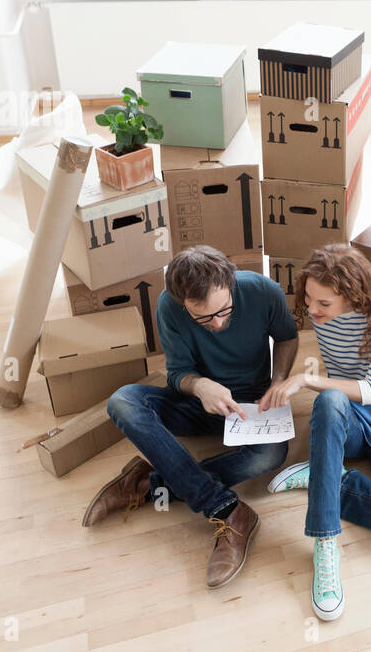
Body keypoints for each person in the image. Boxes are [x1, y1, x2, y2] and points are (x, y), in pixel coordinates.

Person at [84, 246, 299, 589]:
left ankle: (150, 483)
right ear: (182, 301)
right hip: (199, 402)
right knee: (123, 402)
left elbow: (287, 337)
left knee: (272, 453)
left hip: (248, 404)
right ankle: (228, 510)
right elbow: (178, 373)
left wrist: (277, 382)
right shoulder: (169, 307)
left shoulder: (263, 291)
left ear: (231, 284)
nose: (216, 323)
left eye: (223, 311)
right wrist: (200, 387)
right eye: (203, 318)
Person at [260, 244, 371, 621]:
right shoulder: (320, 309)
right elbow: (338, 386)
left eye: (323, 303)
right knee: (329, 402)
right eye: (308, 298)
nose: (312, 311)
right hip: (347, 420)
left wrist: (306, 379)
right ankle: (325, 541)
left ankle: (325, 477)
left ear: (352, 293)